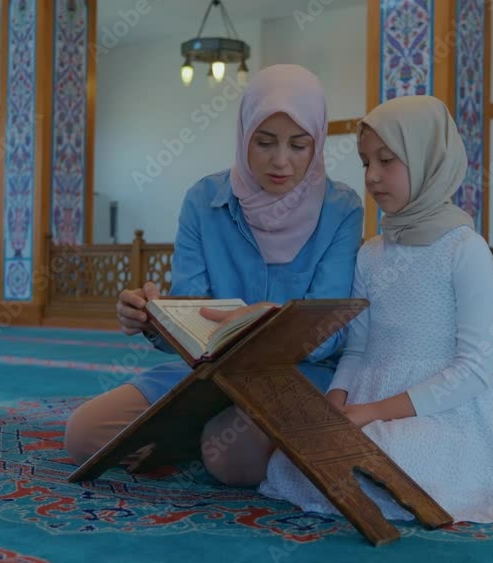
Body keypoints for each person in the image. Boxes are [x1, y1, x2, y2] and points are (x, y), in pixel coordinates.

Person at [258, 95, 493, 523]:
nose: (372, 176)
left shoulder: (465, 251)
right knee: (306, 454)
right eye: (366, 162)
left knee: (391, 456)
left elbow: (474, 370)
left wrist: (371, 413)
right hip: (370, 394)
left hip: (443, 411)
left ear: (429, 160)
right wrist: (335, 402)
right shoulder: (371, 254)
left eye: (388, 161)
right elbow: (357, 349)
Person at [64, 64, 364, 486]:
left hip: (293, 374)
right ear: (244, 136)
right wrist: (152, 317)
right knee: (83, 435)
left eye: (299, 146)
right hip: (209, 375)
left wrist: (271, 322)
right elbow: (191, 305)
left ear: (317, 143)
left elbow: (330, 329)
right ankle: (195, 430)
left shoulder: (342, 209)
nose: (282, 161)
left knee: (231, 459)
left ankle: (185, 435)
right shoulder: (205, 201)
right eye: (264, 143)